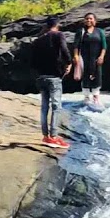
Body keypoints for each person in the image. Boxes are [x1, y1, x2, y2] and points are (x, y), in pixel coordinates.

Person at [30, 16, 73, 149]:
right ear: (57, 25)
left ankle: (45, 136)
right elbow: (64, 50)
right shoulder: (58, 35)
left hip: (41, 77)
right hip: (54, 76)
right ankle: (53, 137)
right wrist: (69, 63)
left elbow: (33, 60)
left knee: (44, 107)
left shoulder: (38, 40)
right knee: (56, 106)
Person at [75, 12, 107, 108]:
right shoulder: (81, 32)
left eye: (91, 18)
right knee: (85, 76)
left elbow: (104, 46)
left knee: (97, 76)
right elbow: (76, 46)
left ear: (95, 21)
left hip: (96, 58)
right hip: (84, 58)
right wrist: (76, 56)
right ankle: (86, 97)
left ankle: (96, 97)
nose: (89, 20)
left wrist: (101, 56)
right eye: (87, 19)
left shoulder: (100, 31)